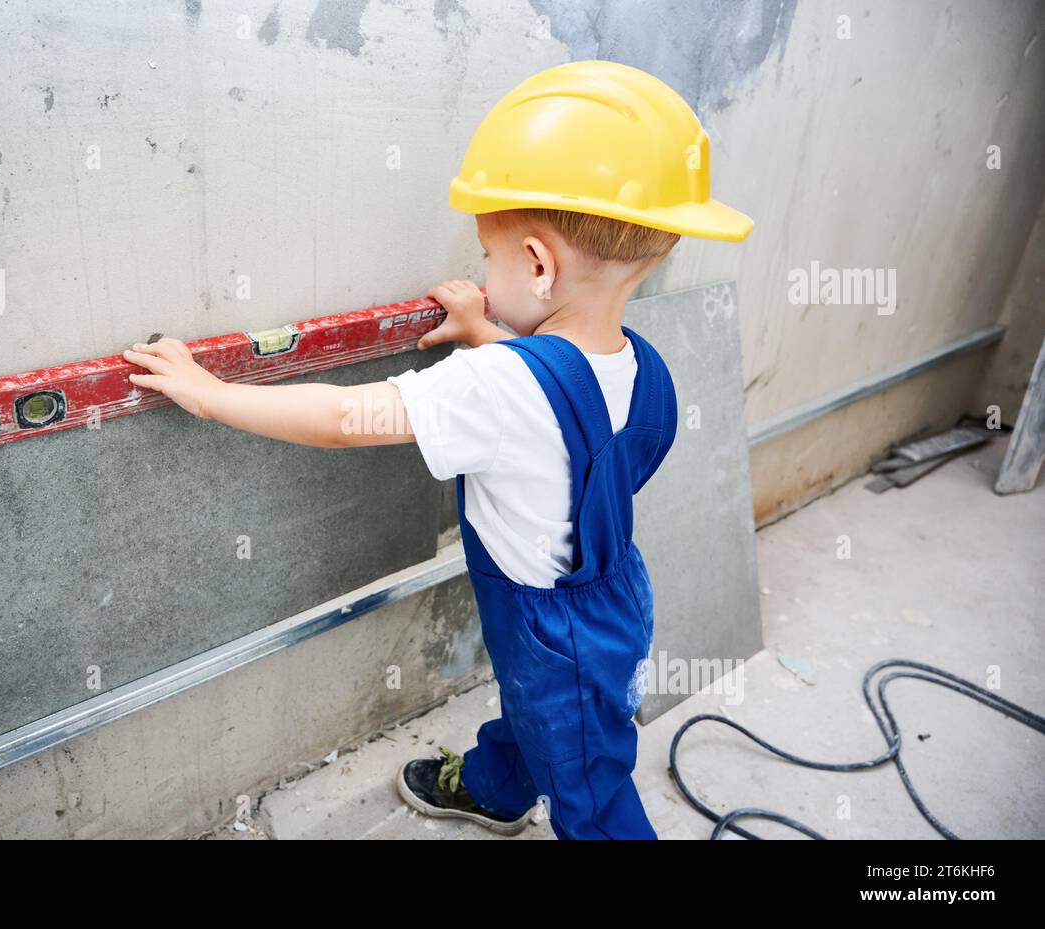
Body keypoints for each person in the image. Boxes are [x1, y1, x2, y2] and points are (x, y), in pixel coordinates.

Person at [123, 60, 752, 839]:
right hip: (615, 599)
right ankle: (496, 786)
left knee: (594, 795)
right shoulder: (641, 370)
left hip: (553, 633)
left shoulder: (495, 385)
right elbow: (567, 418)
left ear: (538, 264)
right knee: (541, 719)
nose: (482, 274)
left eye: (489, 258)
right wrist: (489, 329)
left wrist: (212, 393)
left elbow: (347, 416)